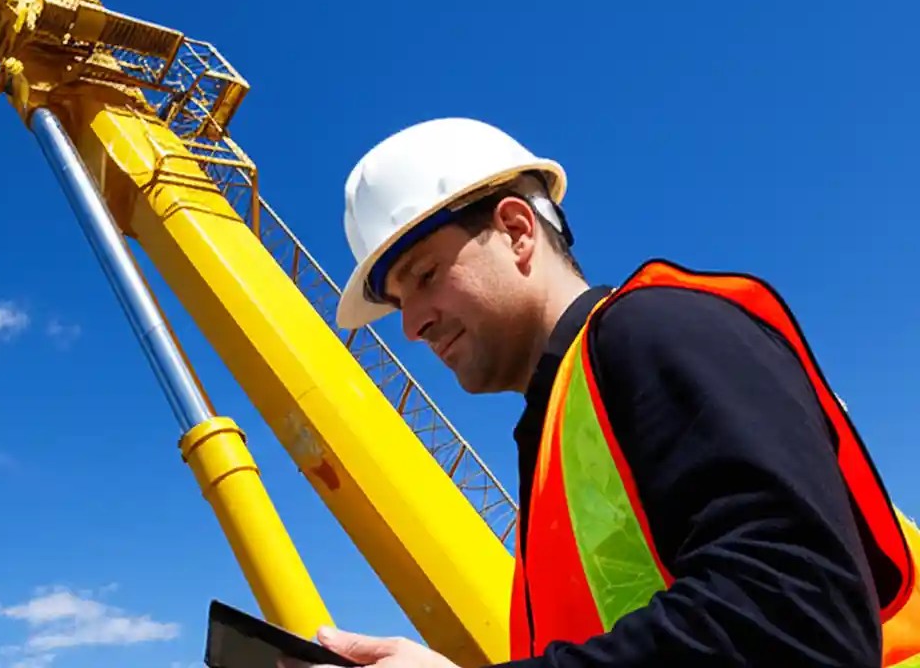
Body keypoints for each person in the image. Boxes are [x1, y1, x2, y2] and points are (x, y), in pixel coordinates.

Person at [309, 117, 920, 667]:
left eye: (425, 276)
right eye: (398, 304)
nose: (412, 326)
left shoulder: (652, 330)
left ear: (519, 231)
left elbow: (800, 619)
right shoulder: (561, 434)